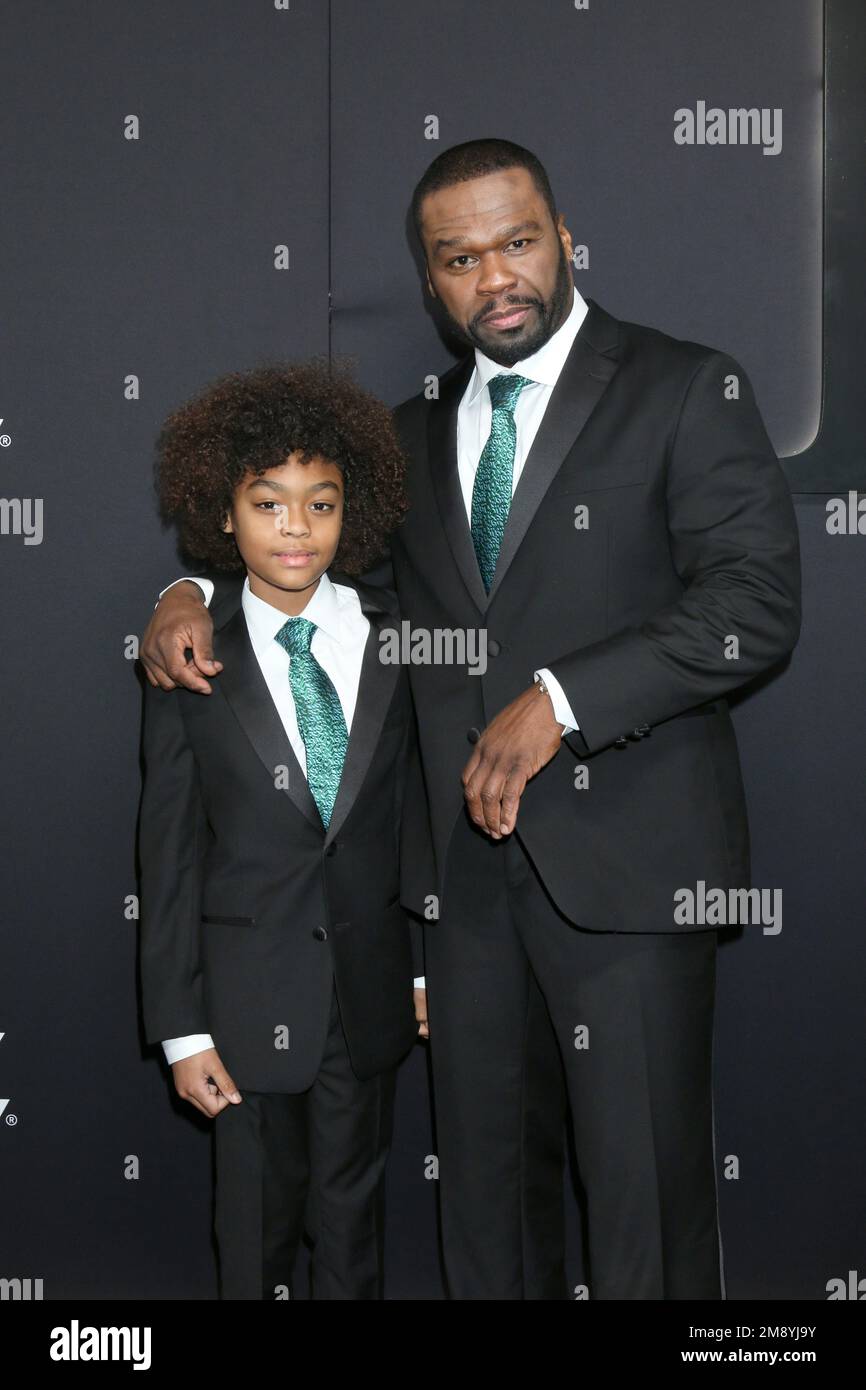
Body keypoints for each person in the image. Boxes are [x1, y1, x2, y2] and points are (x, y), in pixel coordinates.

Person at [140, 139, 802, 1300]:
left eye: (516, 242)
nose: (494, 276)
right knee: (485, 1222)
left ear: (560, 235)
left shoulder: (686, 385)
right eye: (459, 258)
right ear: (431, 277)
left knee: (645, 1209)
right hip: (458, 895)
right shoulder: (402, 431)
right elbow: (336, 588)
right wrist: (188, 590)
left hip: (633, 878)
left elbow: (752, 605)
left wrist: (561, 701)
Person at [137, 358, 425, 1300]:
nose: (296, 527)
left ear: (356, 512)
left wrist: (421, 964)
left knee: (356, 1239)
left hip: (370, 998)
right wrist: (180, 1031)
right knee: (252, 1238)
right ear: (224, 514)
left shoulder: (399, 637)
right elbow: (169, 855)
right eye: (268, 504)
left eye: (321, 502)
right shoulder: (191, 656)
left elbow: (413, 817)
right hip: (242, 1006)